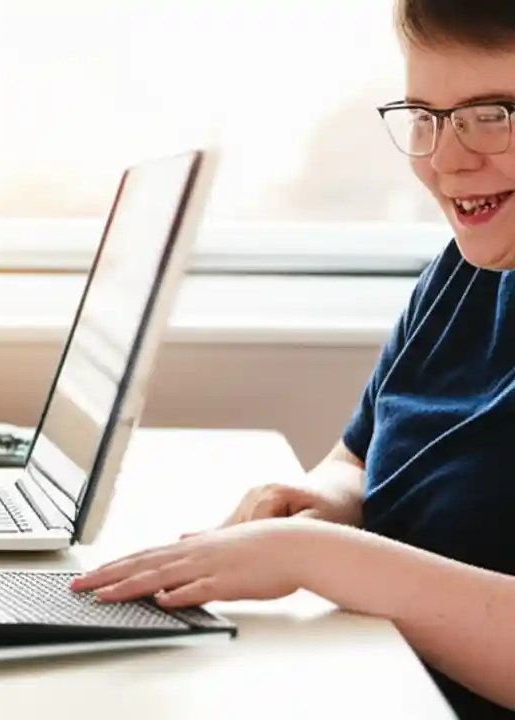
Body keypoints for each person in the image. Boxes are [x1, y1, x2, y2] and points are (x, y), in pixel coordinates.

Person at [71, 1, 515, 716]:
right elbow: (359, 456)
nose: (446, 160)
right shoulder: (465, 273)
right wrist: (326, 503)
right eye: (425, 117)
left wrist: (308, 557)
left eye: (494, 114)